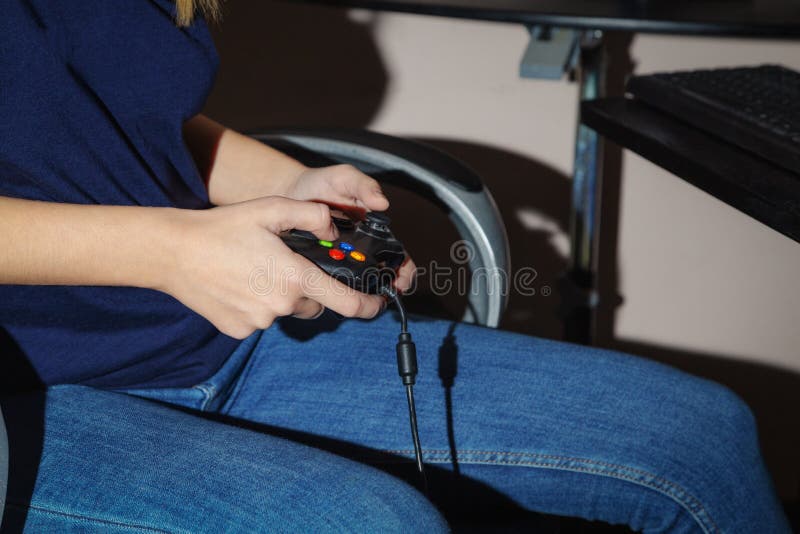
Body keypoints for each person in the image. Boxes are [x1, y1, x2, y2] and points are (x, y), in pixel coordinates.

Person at [0, 0, 790, 532]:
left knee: (703, 436)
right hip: (29, 398)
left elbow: (110, 119)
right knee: (381, 522)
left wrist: (283, 181)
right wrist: (168, 252)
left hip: (208, 334)